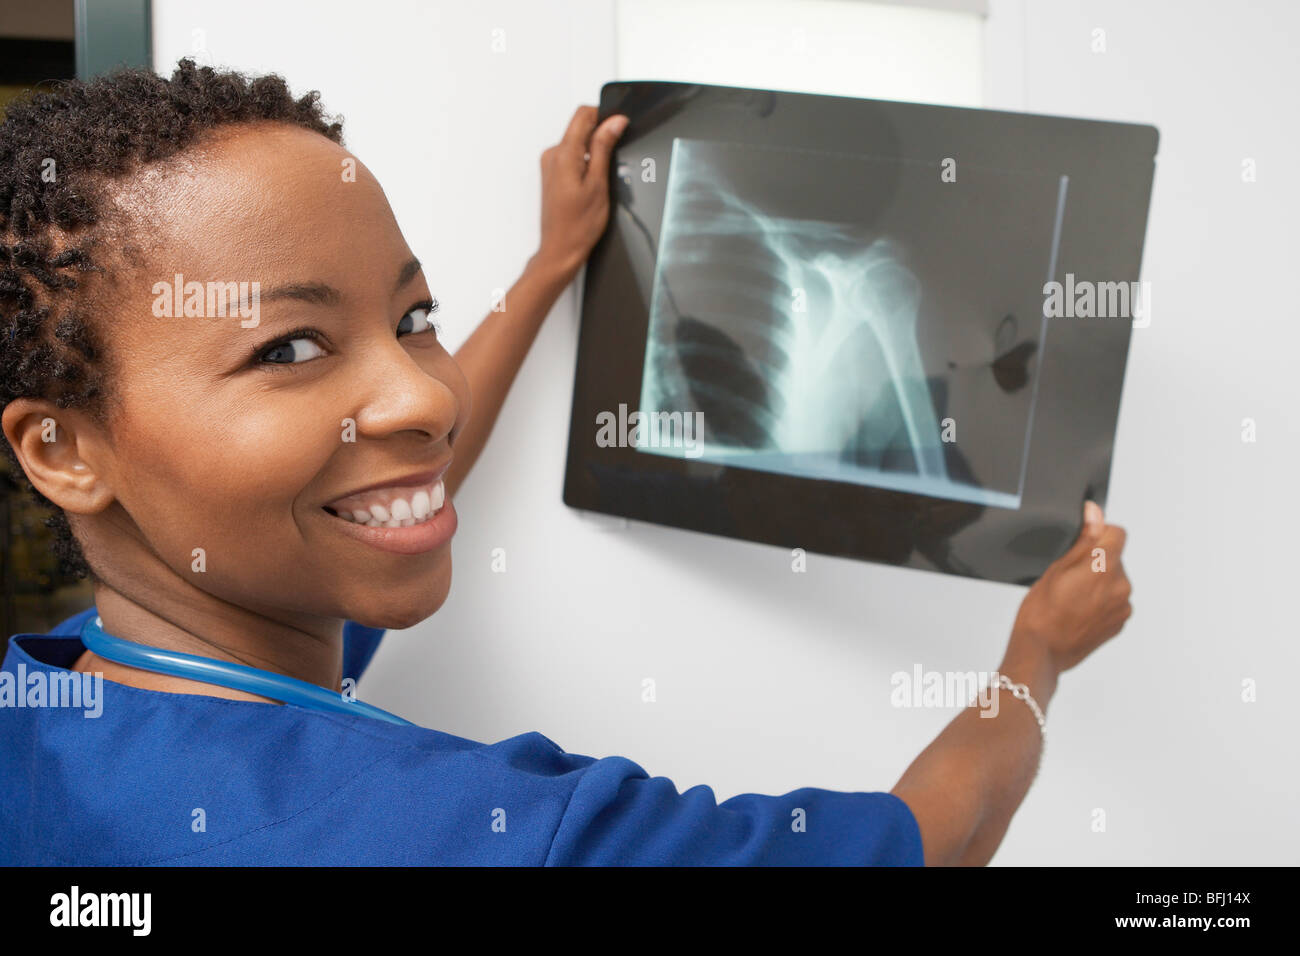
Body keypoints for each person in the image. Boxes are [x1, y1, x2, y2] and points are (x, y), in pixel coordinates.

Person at [0, 61, 1131, 866]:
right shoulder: (491, 834)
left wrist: (548, 270)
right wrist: (1035, 655)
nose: (424, 397)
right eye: (286, 347)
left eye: (414, 315)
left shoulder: (49, 700)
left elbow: (382, 464)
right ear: (62, 447)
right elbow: (934, 839)